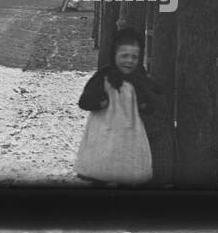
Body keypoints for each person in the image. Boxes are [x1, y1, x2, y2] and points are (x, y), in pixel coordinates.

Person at [74, 27, 174, 186]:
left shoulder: (140, 80)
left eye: (134, 57)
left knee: (128, 163)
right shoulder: (104, 77)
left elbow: (151, 103)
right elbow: (85, 101)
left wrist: (144, 105)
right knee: (103, 162)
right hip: (105, 130)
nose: (129, 61)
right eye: (124, 56)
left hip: (131, 132)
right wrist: (100, 103)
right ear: (114, 56)